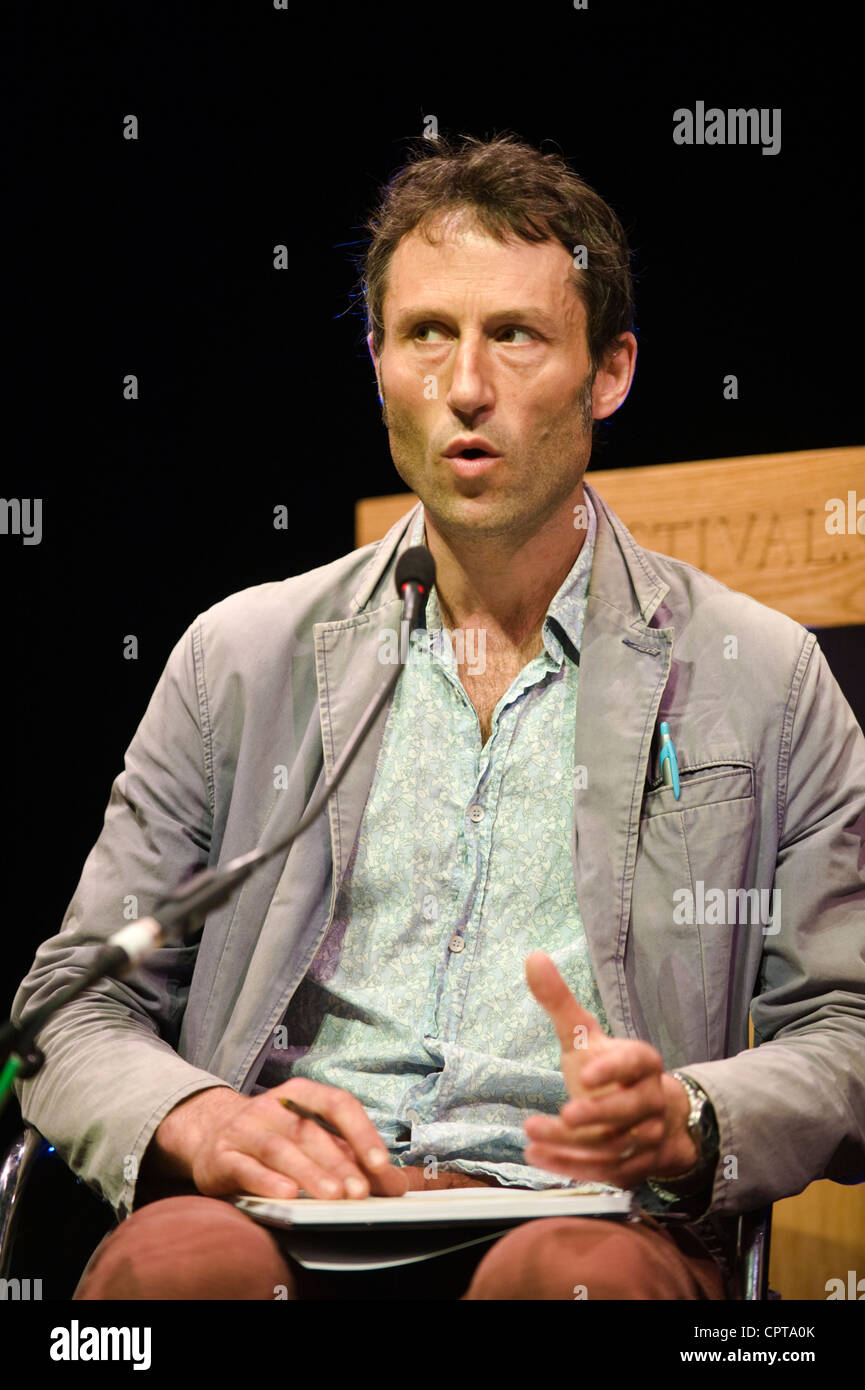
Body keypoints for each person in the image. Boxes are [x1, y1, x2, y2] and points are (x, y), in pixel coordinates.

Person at [11, 133, 865, 1301]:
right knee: (173, 1272)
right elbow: (72, 998)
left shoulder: (759, 675)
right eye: (426, 335)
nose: (465, 386)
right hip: (283, 1219)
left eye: (514, 335)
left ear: (610, 371)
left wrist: (693, 1115)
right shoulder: (240, 660)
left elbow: (848, 1024)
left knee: (562, 1284)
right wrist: (195, 1115)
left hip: (590, 1222)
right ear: (377, 363)